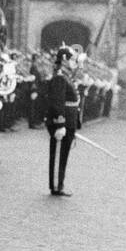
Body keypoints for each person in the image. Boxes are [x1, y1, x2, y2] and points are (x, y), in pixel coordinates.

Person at [45, 45, 80, 196]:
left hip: (69, 121)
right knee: (59, 155)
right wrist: (60, 124)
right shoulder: (60, 77)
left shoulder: (66, 76)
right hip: (62, 122)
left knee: (63, 155)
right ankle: (56, 186)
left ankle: (59, 184)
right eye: (72, 59)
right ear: (64, 59)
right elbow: (57, 102)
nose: (75, 63)